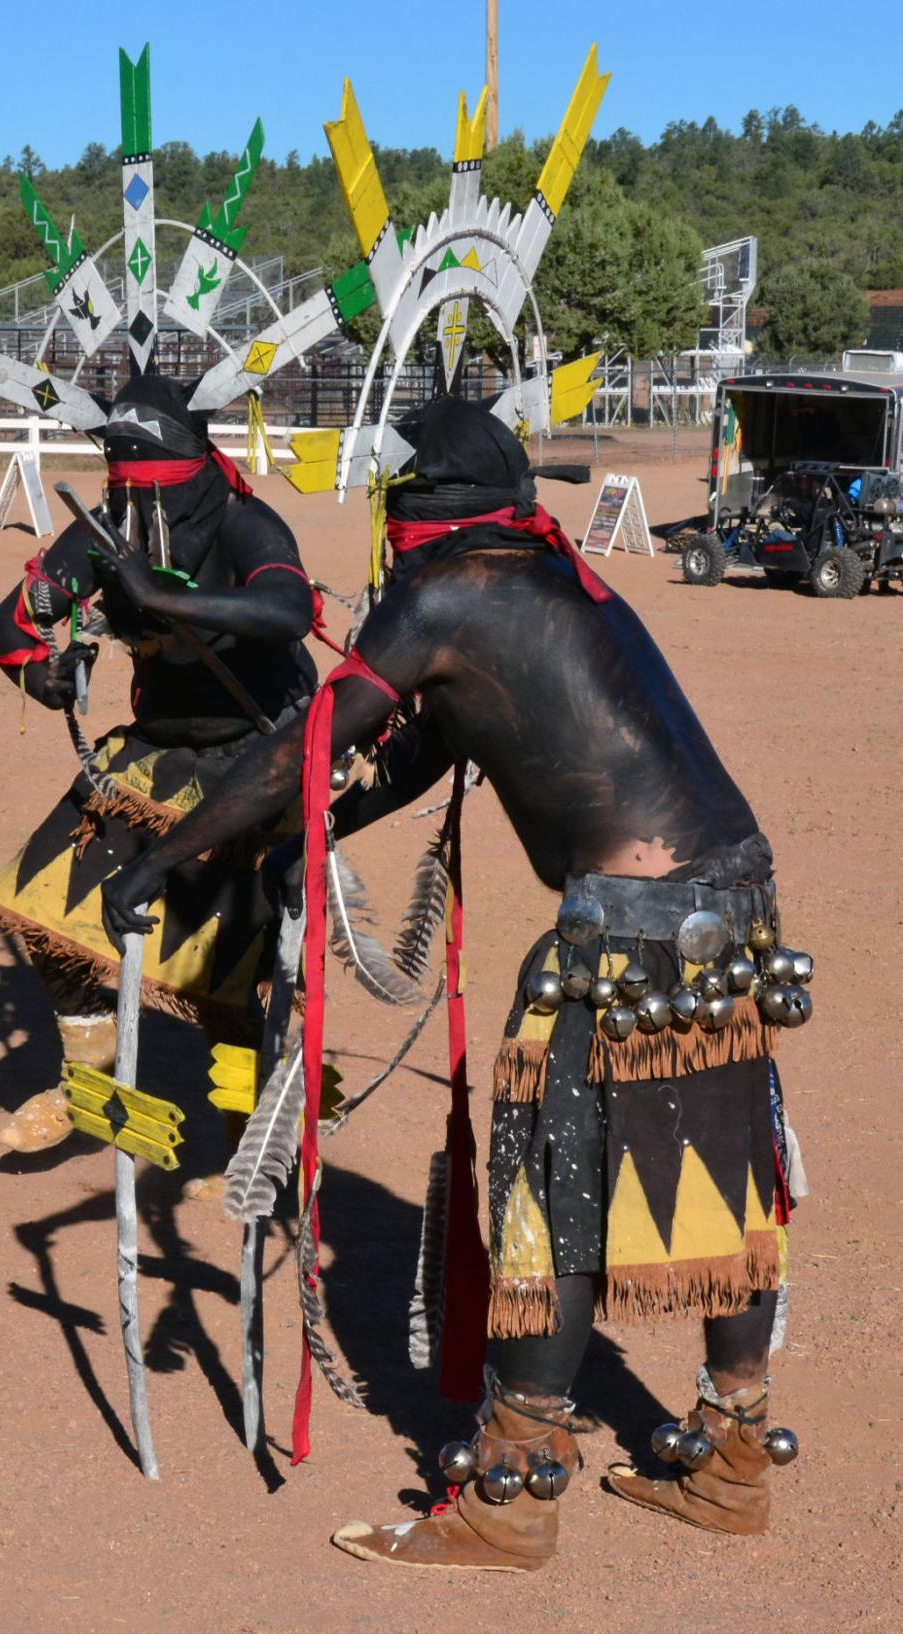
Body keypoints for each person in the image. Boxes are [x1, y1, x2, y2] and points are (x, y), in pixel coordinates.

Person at [100, 395, 805, 1570]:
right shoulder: (531, 568)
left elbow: (307, 742)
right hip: (732, 900)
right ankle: (733, 1449)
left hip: (629, 931)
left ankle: (513, 1495)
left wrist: (170, 853)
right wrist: (300, 841)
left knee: (550, 1191)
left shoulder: (441, 586)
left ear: (413, 500)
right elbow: (427, 738)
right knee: (722, 1181)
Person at [0, 374, 318, 1153]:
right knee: (47, 914)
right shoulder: (105, 529)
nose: (145, 512)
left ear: (197, 472)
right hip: (155, 748)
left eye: (159, 491)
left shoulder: (244, 523)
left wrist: (164, 601)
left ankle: (251, 1121)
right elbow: (13, 621)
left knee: (228, 961)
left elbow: (290, 611)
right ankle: (87, 1083)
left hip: (263, 753)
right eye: (129, 491)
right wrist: (39, 671)